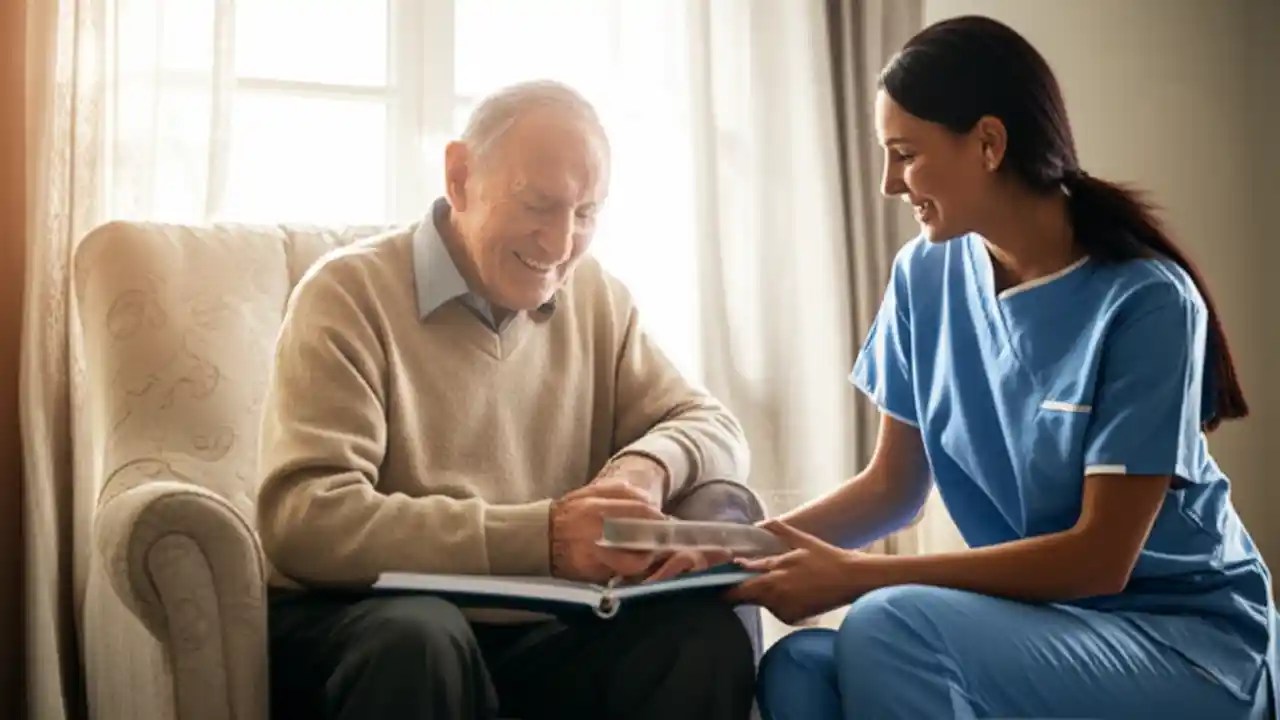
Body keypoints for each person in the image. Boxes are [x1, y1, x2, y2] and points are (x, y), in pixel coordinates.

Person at [728, 15, 1276, 720]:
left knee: (890, 625)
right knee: (801, 668)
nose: (891, 184)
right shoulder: (924, 275)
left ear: (988, 143)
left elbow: (1098, 559)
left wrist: (857, 578)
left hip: (1186, 641)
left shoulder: (1146, 303)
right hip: (1050, 627)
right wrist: (735, 550)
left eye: (904, 154)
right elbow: (892, 488)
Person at [257, 80, 759, 720]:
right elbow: (304, 520)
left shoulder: (598, 298)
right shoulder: (345, 294)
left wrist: (646, 470)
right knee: (420, 639)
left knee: (701, 642)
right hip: (371, 619)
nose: (558, 245)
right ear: (460, 176)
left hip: (541, 629)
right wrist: (541, 537)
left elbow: (712, 424)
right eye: (538, 204)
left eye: (585, 214)